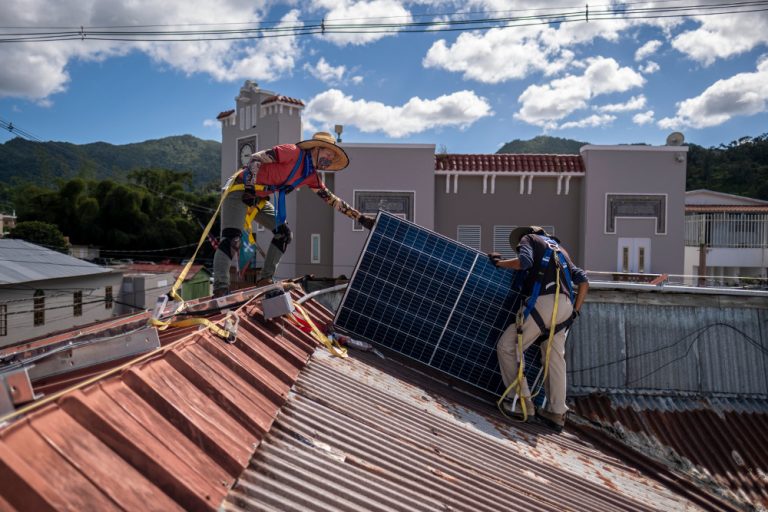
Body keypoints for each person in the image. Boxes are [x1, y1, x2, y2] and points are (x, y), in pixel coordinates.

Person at [212, 132, 375, 297]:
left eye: (332, 157)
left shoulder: (310, 176)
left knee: (283, 234)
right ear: (316, 149)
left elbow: (332, 200)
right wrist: (249, 187)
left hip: (256, 198)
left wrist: (360, 218)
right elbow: (256, 158)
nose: (329, 159)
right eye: (328, 154)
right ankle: (220, 288)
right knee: (232, 238)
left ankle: (265, 279)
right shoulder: (292, 152)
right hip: (241, 189)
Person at [489, 226, 589, 432]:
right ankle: (556, 412)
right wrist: (575, 312)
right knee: (554, 357)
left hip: (542, 302)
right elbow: (584, 281)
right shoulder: (560, 250)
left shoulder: (529, 239)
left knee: (508, 346)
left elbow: (524, 262)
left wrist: (499, 263)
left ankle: (521, 402)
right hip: (566, 307)